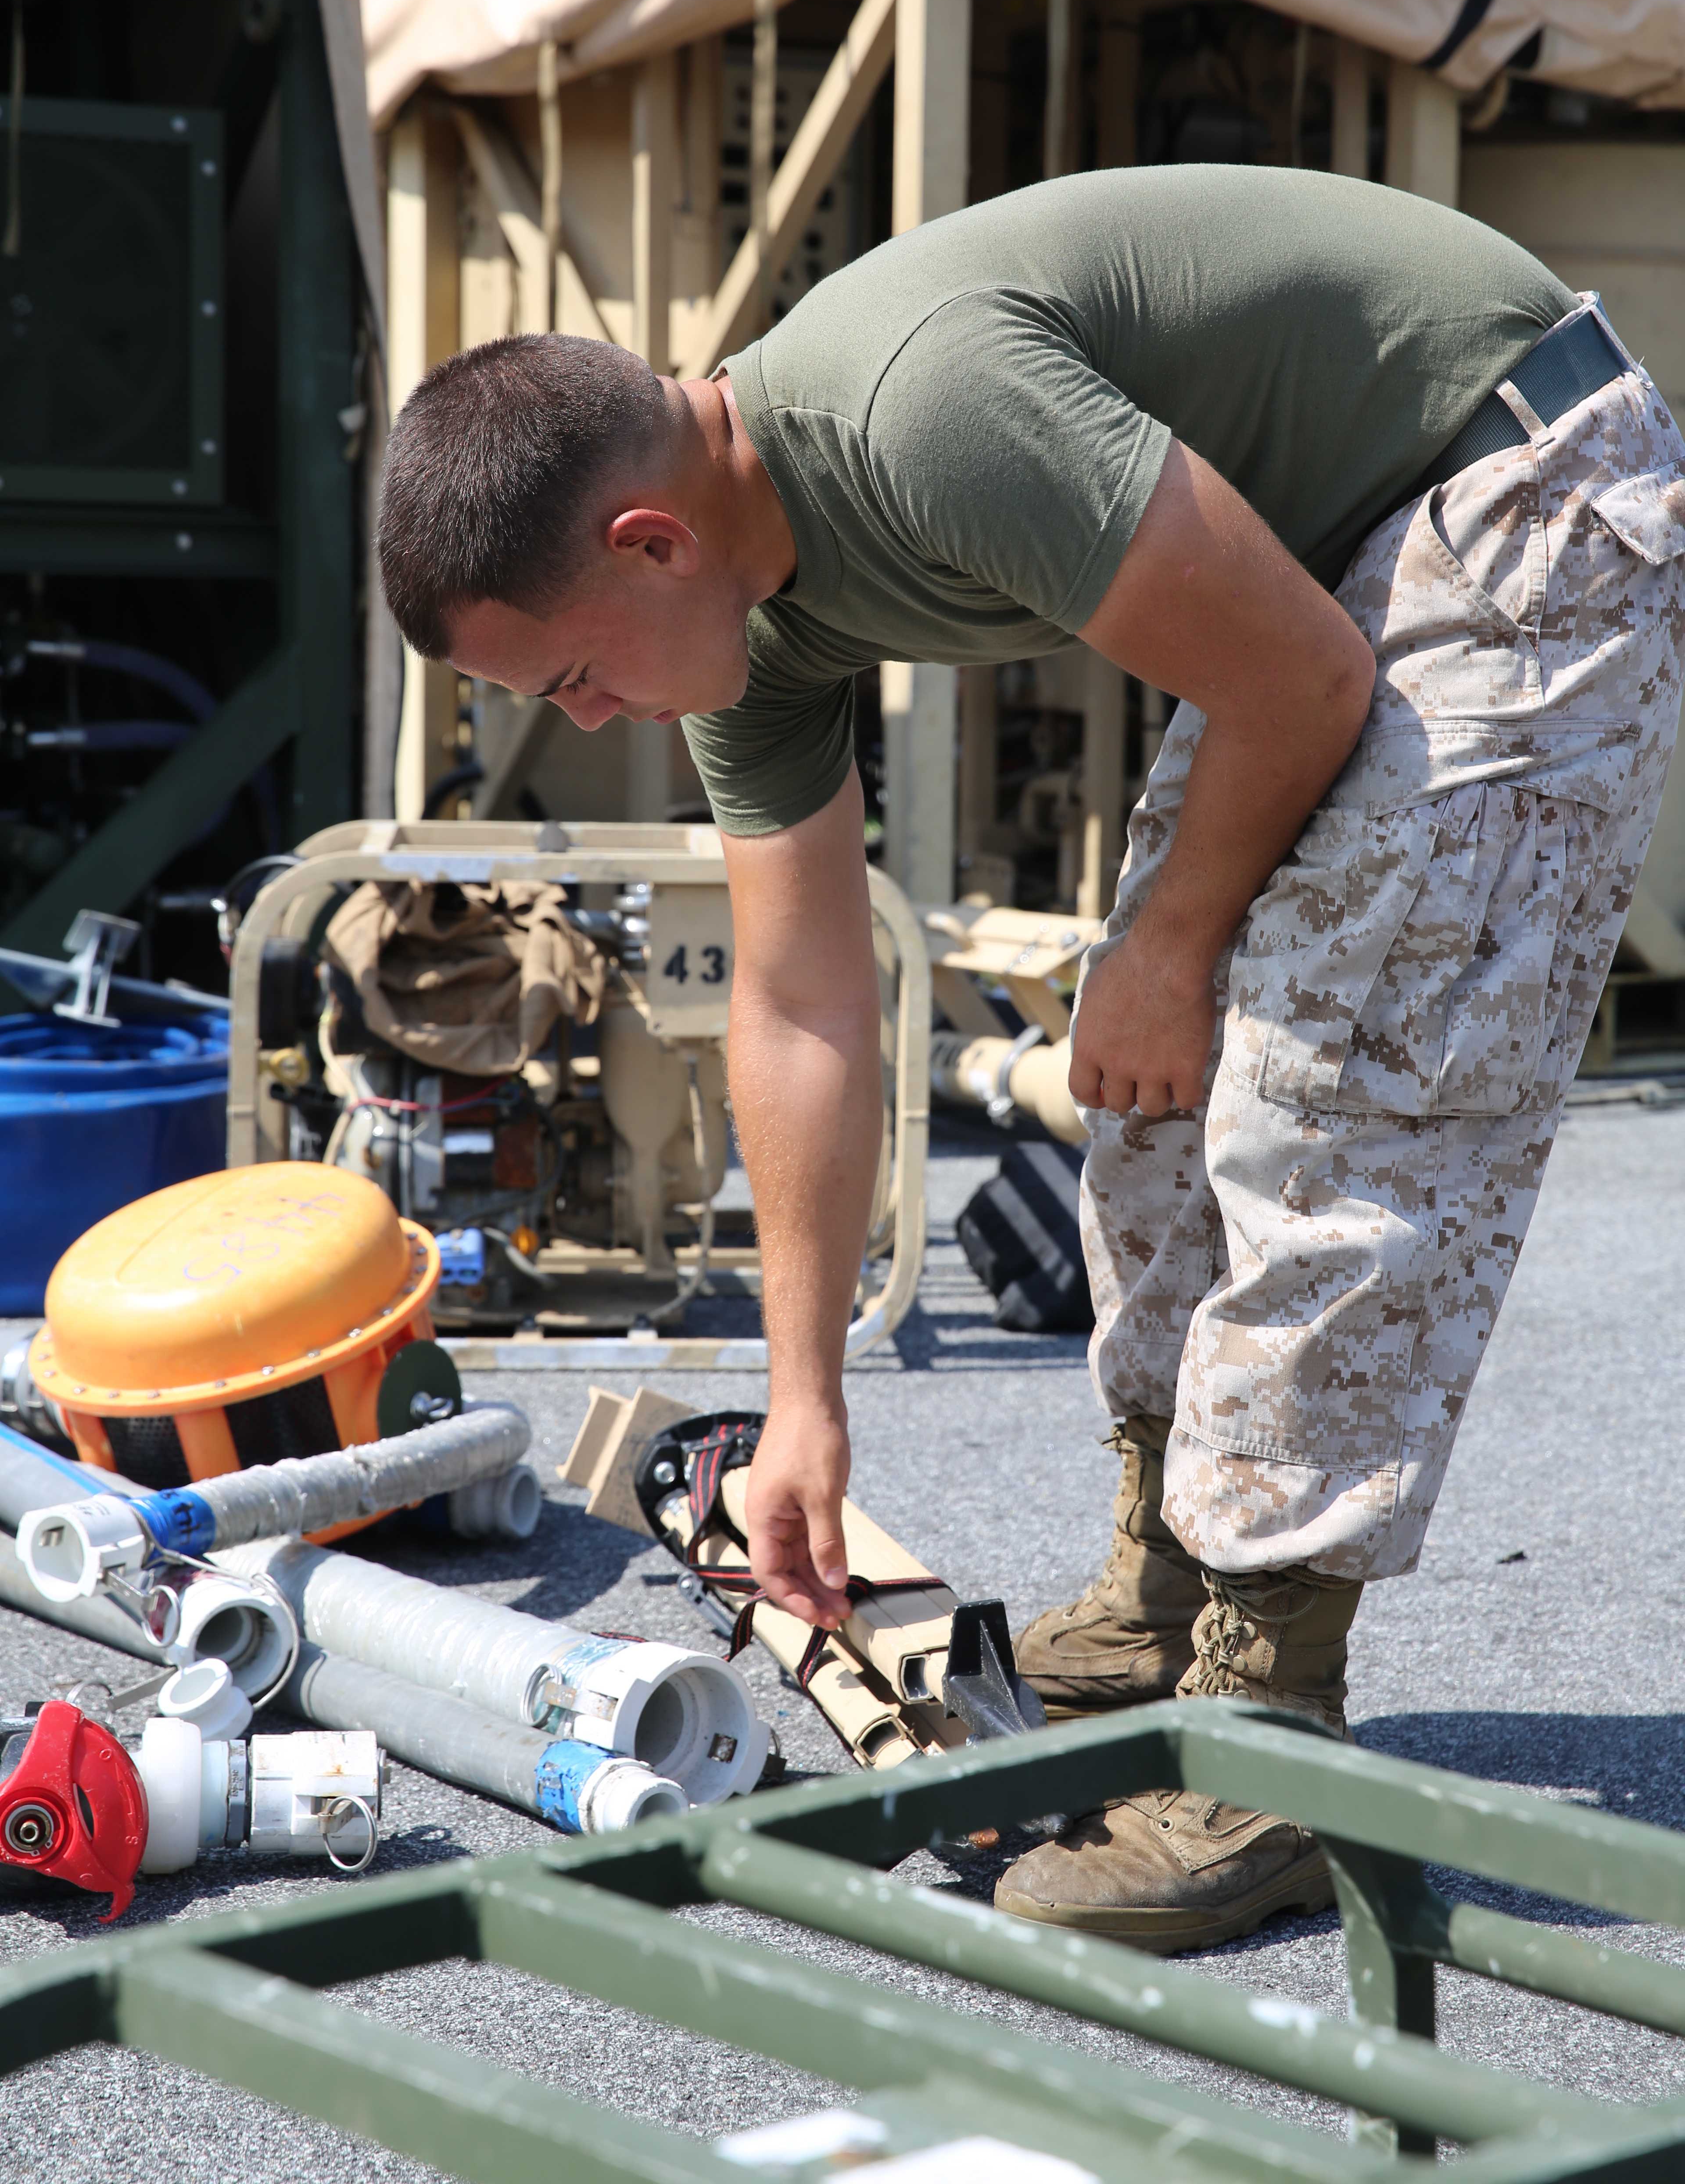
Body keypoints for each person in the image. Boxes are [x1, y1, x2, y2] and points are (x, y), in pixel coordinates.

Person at [377, 166, 1685, 1952]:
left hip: (1521, 476)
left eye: (576, 679)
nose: (586, 721)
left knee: (1332, 1085)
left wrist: (1165, 945)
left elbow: (1299, 680)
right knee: (1149, 1100)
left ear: (646, 546)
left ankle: (1268, 1740)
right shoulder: (741, 625)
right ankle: (1167, 1597)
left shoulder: (923, 416)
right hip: (1351, 555)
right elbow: (804, 1005)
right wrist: (809, 1407)